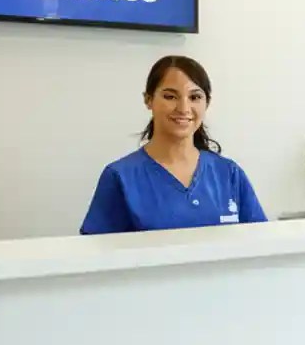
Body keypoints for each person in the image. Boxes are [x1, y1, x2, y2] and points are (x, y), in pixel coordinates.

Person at [80, 55, 266, 235]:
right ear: (148, 100)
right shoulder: (120, 177)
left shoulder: (229, 174)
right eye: (170, 96)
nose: (183, 108)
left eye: (195, 97)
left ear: (207, 103)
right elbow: (96, 251)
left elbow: (261, 243)